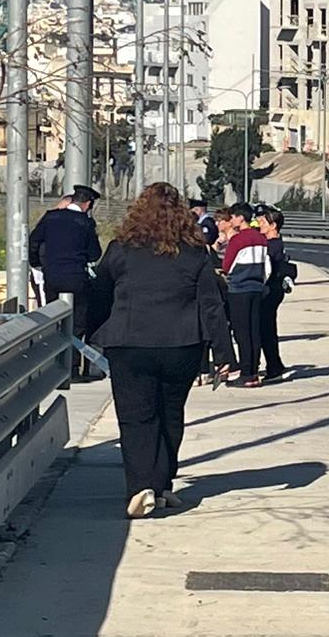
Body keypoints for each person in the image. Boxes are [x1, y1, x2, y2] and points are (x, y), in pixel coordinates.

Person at [91, 183, 234, 519]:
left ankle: (140, 487)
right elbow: (211, 305)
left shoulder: (121, 249)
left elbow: (99, 294)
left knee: (136, 416)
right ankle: (162, 482)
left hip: (129, 343)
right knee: (171, 414)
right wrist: (224, 354)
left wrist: (89, 331)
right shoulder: (196, 253)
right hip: (182, 344)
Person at [33, 184, 104, 379]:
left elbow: (34, 242)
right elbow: (94, 254)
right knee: (77, 323)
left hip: (52, 277)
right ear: (88, 204)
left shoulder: (50, 217)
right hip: (76, 279)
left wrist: (39, 264)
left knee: (55, 321)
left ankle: (54, 366)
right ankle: (72, 369)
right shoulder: (85, 223)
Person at [218, 201, 271, 386]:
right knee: (254, 331)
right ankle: (254, 372)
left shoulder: (238, 240)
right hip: (257, 288)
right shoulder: (261, 239)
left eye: (232, 216)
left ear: (240, 218)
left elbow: (227, 266)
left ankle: (246, 373)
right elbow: (268, 267)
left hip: (239, 289)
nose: (231, 220)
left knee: (241, 333)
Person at [257, 207, 294, 382]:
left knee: (266, 329)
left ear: (273, 225)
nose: (259, 225)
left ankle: (274, 366)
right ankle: (274, 364)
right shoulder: (272, 242)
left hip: (271, 290)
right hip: (272, 290)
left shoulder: (273, 245)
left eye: (263, 222)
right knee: (267, 329)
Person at [28, 193, 75, 306]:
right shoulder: (50, 224)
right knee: (47, 308)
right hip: (44, 273)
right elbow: (35, 244)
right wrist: (38, 264)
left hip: (57, 272)